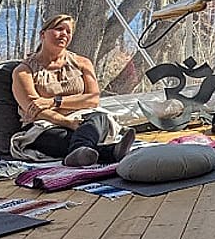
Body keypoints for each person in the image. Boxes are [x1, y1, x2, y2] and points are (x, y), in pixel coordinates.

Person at [11, 14, 134, 166]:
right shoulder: (23, 71)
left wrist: (55, 102)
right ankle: (110, 151)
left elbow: (92, 99)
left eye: (68, 31)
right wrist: (67, 122)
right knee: (66, 137)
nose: (64, 34)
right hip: (44, 126)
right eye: (59, 29)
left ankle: (81, 154)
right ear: (43, 34)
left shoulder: (82, 63)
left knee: (100, 118)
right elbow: (34, 109)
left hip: (82, 120)